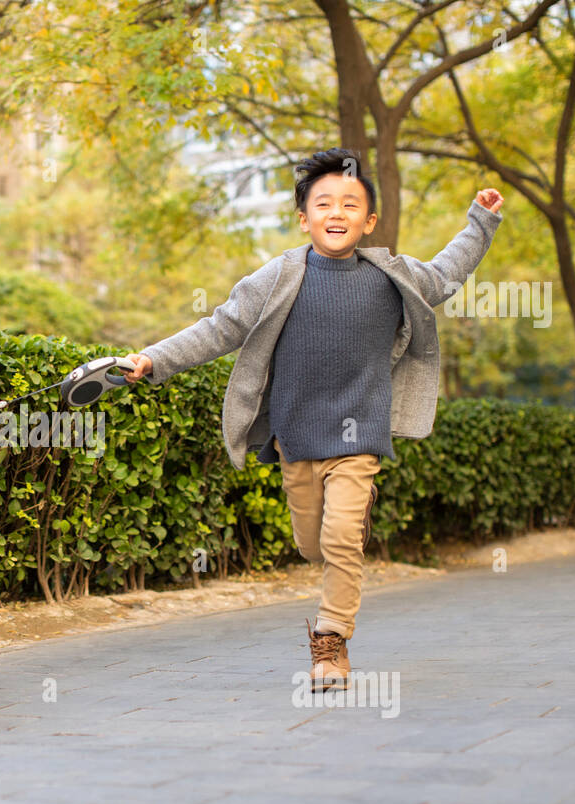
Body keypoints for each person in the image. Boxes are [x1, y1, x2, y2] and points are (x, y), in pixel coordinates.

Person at [124, 147, 503, 692]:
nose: (337, 212)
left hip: (360, 436)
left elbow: (446, 273)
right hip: (296, 438)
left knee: (343, 537)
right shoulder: (278, 277)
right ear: (304, 218)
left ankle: (331, 644)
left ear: (369, 221)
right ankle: (342, 537)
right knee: (312, 544)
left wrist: (480, 222)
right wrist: (153, 359)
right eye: (324, 203)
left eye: (351, 204)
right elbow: (219, 328)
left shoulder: (389, 277)